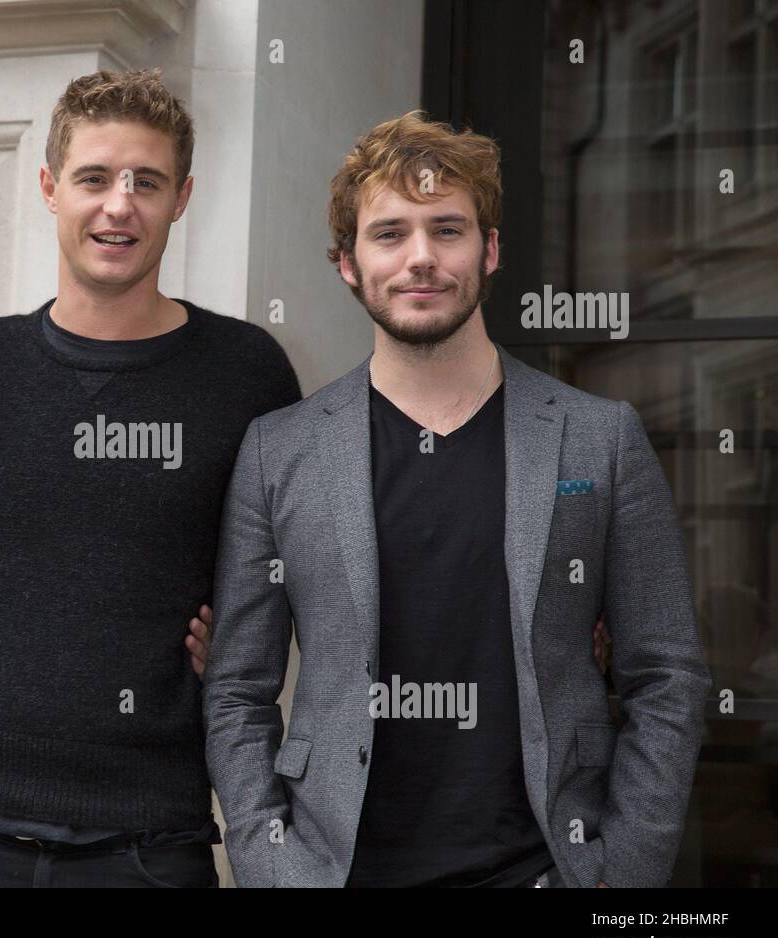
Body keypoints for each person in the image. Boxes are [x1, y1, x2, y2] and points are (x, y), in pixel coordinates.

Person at [203, 110, 710, 888]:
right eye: (390, 233)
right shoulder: (279, 449)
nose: (421, 259)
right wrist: (275, 865)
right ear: (347, 262)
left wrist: (615, 875)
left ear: (490, 248)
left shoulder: (599, 437)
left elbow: (666, 675)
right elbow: (238, 688)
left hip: (543, 868)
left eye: (447, 229)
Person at [0, 69, 301, 888]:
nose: (120, 205)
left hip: (151, 843)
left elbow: (299, 559)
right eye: (95, 178)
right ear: (49, 188)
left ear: (181, 197)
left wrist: (245, 646)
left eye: (146, 182)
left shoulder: (246, 371)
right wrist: (1, 674)